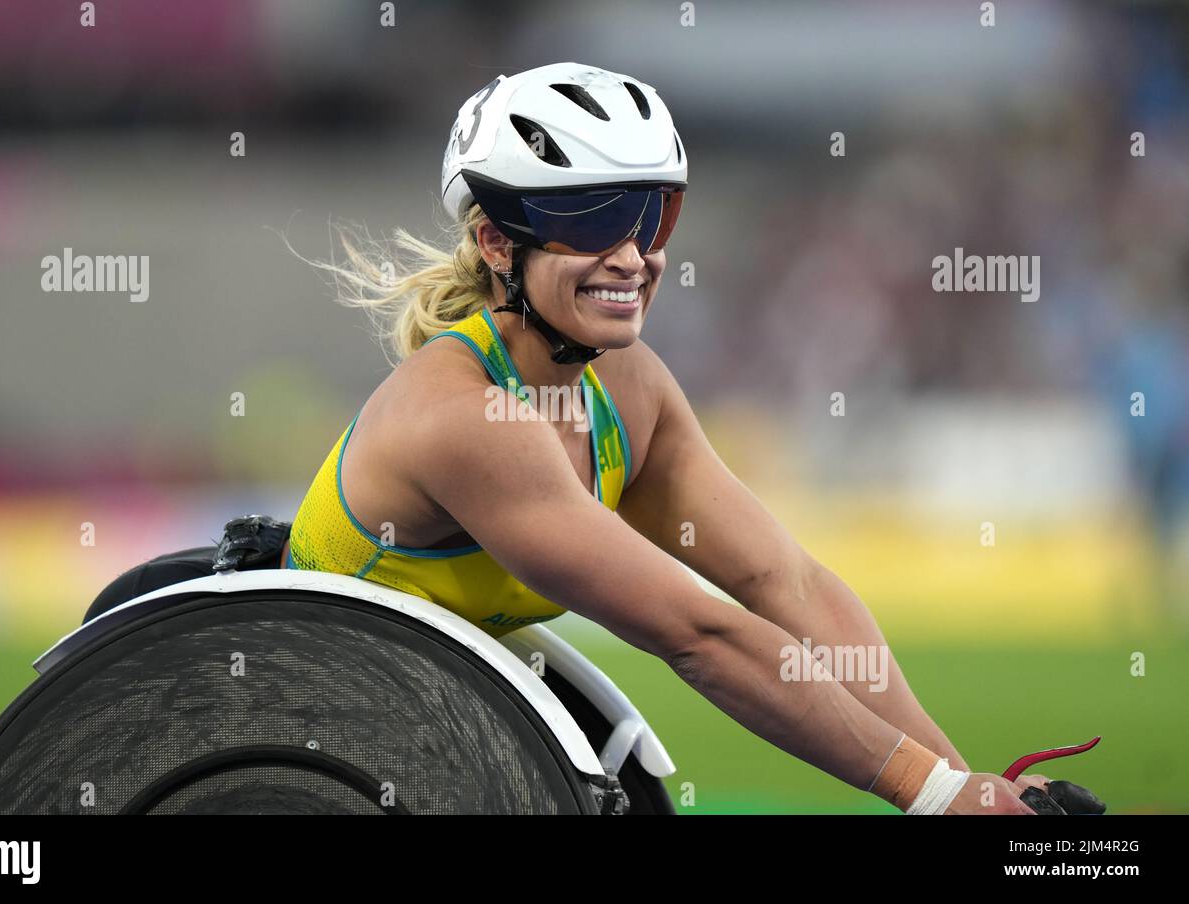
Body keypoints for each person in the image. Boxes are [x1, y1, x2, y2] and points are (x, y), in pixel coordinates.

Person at [275, 62, 1046, 815]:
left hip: (417, 730)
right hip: (280, 749)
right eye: (590, 221)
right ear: (499, 244)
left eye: (651, 217)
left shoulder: (629, 387)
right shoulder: (464, 419)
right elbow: (701, 635)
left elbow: (785, 584)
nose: (631, 256)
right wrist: (933, 795)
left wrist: (968, 784)